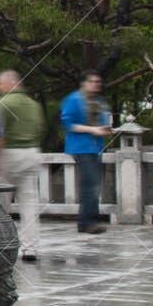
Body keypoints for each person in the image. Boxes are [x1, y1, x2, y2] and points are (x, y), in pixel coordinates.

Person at [0, 69, 45, 261]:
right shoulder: (34, 105)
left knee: (1, 202)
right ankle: (29, 247)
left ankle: (1, 242)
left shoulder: (3, 103)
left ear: (10, 83)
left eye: (0, 84)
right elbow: (40, 129)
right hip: (32, 152)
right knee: (29, 203)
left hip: (10, 153)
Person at [60, 72, 112, 234]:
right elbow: (67, 123)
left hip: (96, 146)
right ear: (83, 83)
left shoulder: (99, 101)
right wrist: (92, 129)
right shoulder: (74, 99)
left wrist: (106, 128)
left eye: (98, 82)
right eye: (92, 81)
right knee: (91, 183)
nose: (96, 84)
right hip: (80, 147)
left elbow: (104, 120)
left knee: (93, 184)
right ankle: (88, 221)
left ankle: (87, 221)